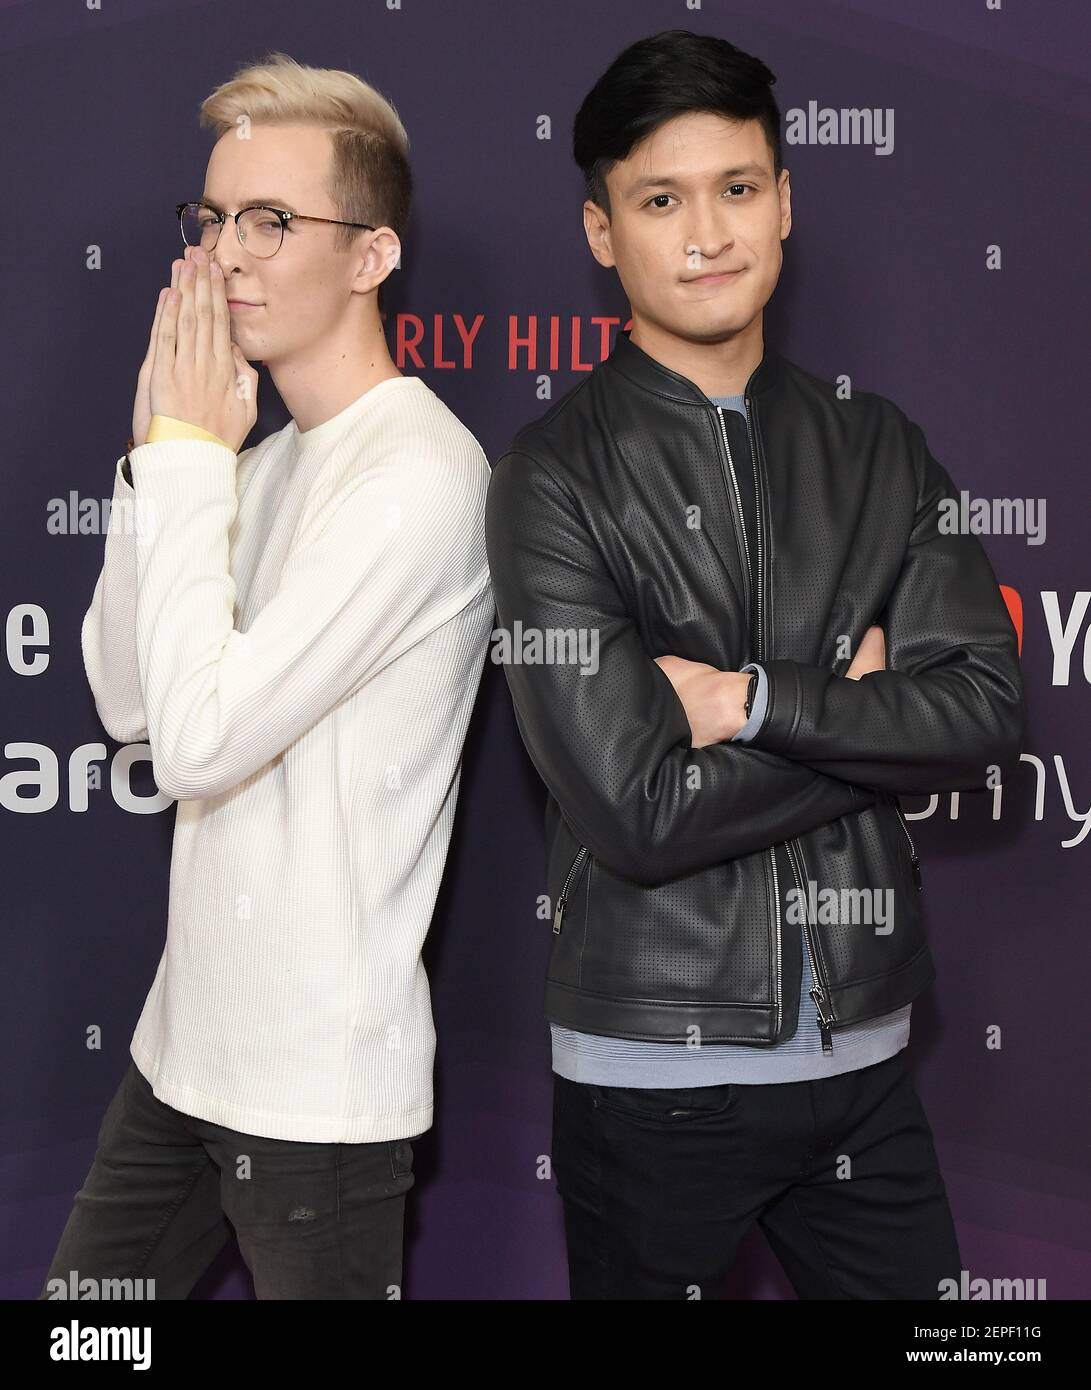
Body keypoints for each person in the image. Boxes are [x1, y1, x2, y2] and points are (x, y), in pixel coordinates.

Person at [484, 29, 1024, 1300]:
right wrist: (869, 728)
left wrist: (751, 704)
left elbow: (985, 707)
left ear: (783, 201)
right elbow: (638, 811)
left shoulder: (877, 446)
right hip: (653, 1081)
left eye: (736, 188)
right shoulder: (550, 476)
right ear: (600, 231)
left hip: (867, 1062)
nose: (706, 231)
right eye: (659, 199)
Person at [41, 52, 493, 1300]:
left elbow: (195, 744)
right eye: (212, 219)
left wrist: (192, 459)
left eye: (270, 221)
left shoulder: (420, 477)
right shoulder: (270, 454)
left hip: (313, 1105)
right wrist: (164, 458)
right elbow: (132, 701)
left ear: (371, 257)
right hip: (183, 1051)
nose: (226, 254)